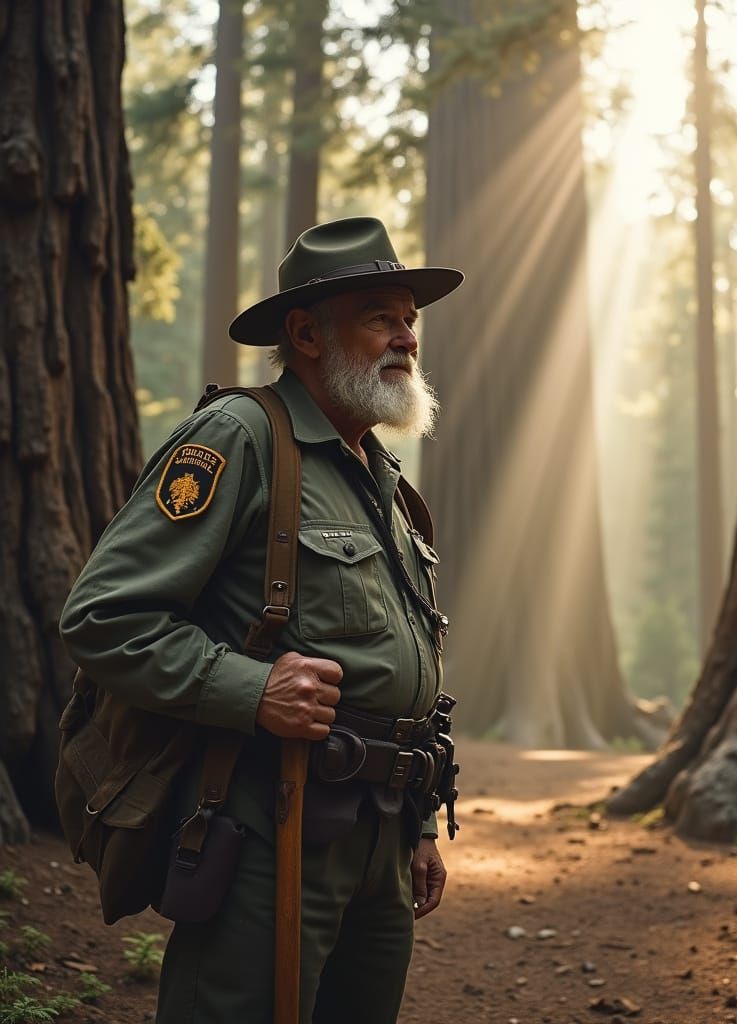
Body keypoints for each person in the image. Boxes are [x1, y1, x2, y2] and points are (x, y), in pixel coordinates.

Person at [59, 216, 464, 1024]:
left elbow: (403, 666)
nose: (407, 339)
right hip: (268, 822)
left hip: (380, 832)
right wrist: (251, 689)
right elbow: (104, 615)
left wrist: (419, 824)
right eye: (381, 317)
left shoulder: (377, 475)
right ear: (306, 333)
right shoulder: (239, 437)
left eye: (410, 319)